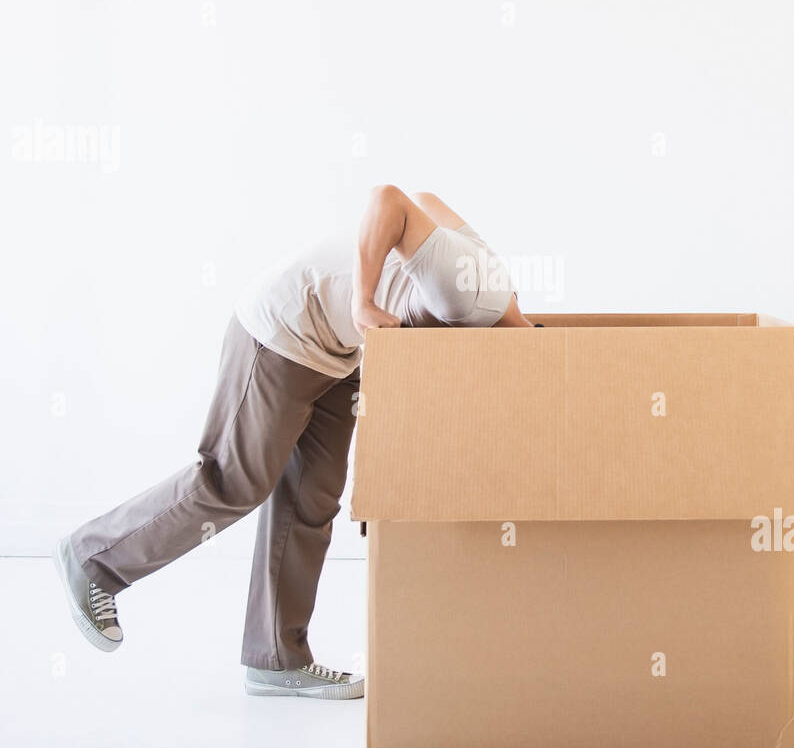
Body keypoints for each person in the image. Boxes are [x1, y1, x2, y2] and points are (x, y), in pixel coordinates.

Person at [53, 185, 532, 698]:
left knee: (313, 497)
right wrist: (364, 298)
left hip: (338, 352)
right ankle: (93, 558)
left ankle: (276, 657)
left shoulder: (501, 304)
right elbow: (390, 199)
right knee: (233, 482)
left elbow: (428, 199)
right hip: (281, 330)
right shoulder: (461, 291)